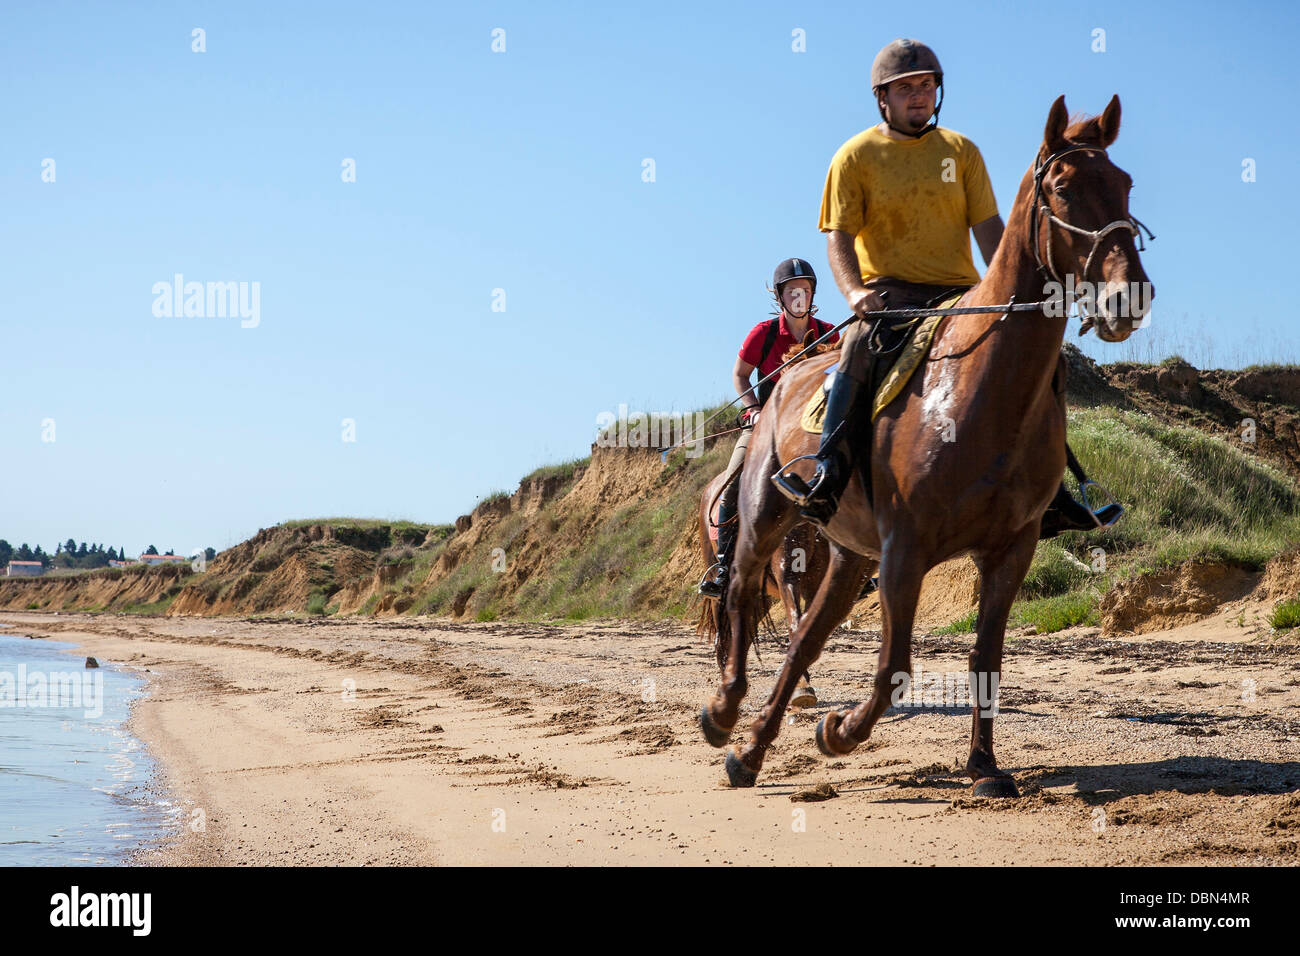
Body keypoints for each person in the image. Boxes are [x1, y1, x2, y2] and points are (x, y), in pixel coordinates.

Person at [775, 38, 1122, 537]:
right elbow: (839, 240)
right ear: (883, 97)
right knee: (856, 350)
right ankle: (828, 471)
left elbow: (991, 238)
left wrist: (1017, 292)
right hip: (889, 297)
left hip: (958, 298)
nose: (919, 95)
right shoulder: (854, 157)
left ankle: (1053, 492)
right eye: (906, 88)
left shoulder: (961, 152)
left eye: (927, 85)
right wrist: (854, 294)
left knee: (1046, 360)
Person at [698, 258, 838, 598]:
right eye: (793, 292)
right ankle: (722, 563)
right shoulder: (764, 333)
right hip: (767, 425)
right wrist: (754, 410)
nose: (799, 297)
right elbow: (740, 375)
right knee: (734, 481)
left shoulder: (831, 333)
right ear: (781, 297)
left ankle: (856, 564)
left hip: (811, 426)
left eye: (804, 290)